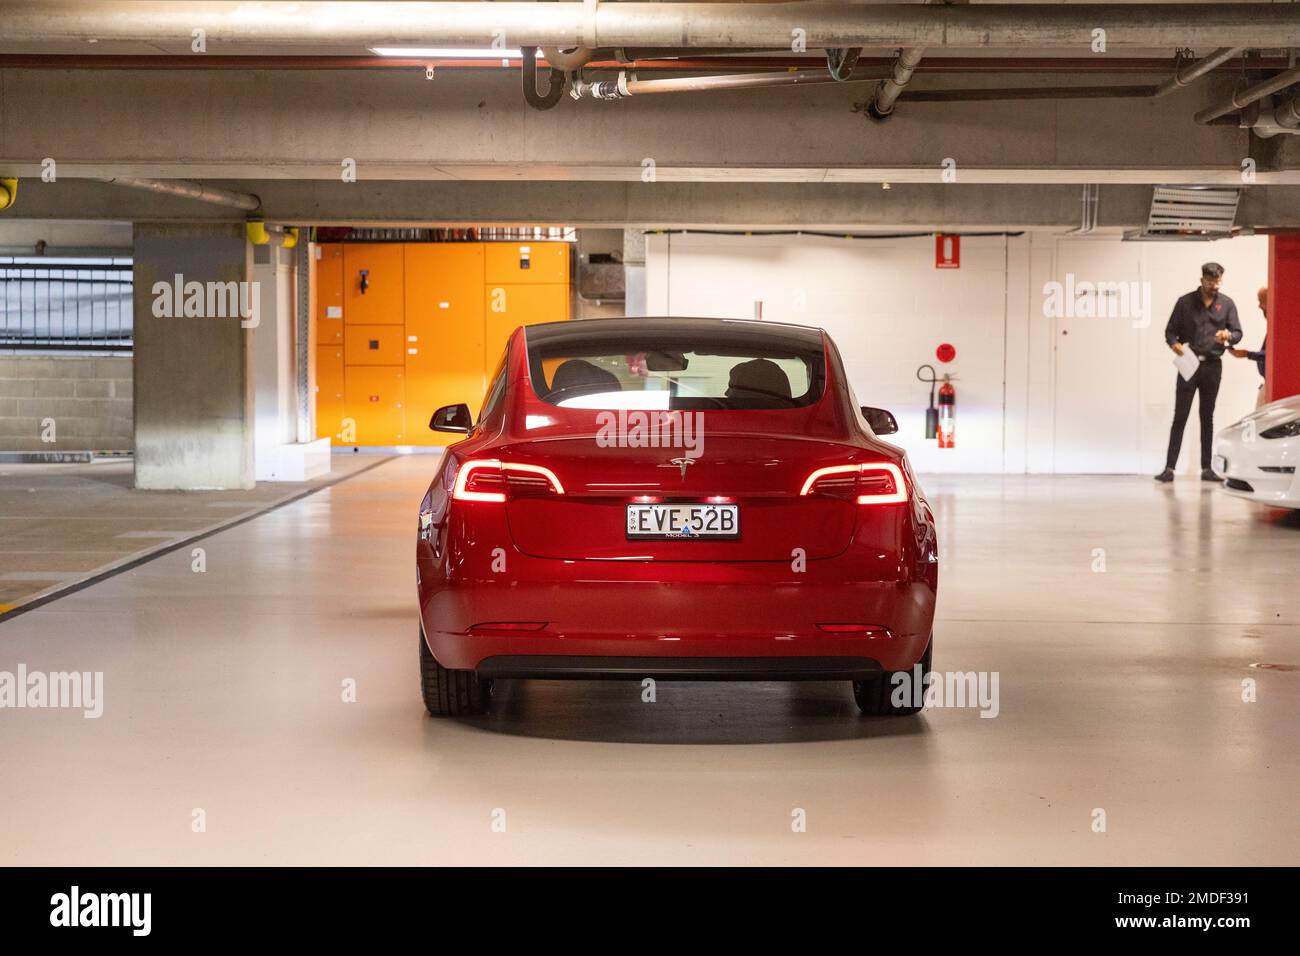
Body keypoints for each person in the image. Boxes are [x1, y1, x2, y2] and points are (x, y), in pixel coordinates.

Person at [1154, 262, 1242, 483]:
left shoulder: (1227, 304)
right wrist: (1173, 344)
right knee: (1180, 415)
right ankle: (1169, 468)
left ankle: (1206, 468)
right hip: (1189, 361)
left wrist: (1228, 336)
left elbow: (1238, 332)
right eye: (1211, 281)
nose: (1215, 285)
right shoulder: (1185, 303)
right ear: (1202, 280)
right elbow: (1170, 331)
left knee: (1207, 416)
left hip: (1213, 364)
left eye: (1218, 281)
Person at [1229, 286, 1268, 408]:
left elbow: (1269, 355)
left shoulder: (1279, 327)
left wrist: (1247, 354)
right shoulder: (1272, 326)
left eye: (1261, 301)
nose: (1259, 306)